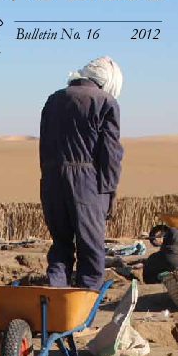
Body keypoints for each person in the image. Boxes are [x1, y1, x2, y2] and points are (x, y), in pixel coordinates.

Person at [40, 55, 124, 290]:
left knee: (61, 245)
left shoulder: (53, 100)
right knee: (91, 247)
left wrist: (48, 181)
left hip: (51, 180)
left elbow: (43, 146)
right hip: (87, 182)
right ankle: (84, 305)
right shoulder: (105, 102)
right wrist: (109, 191)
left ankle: (56, 297)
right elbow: (110, 153)